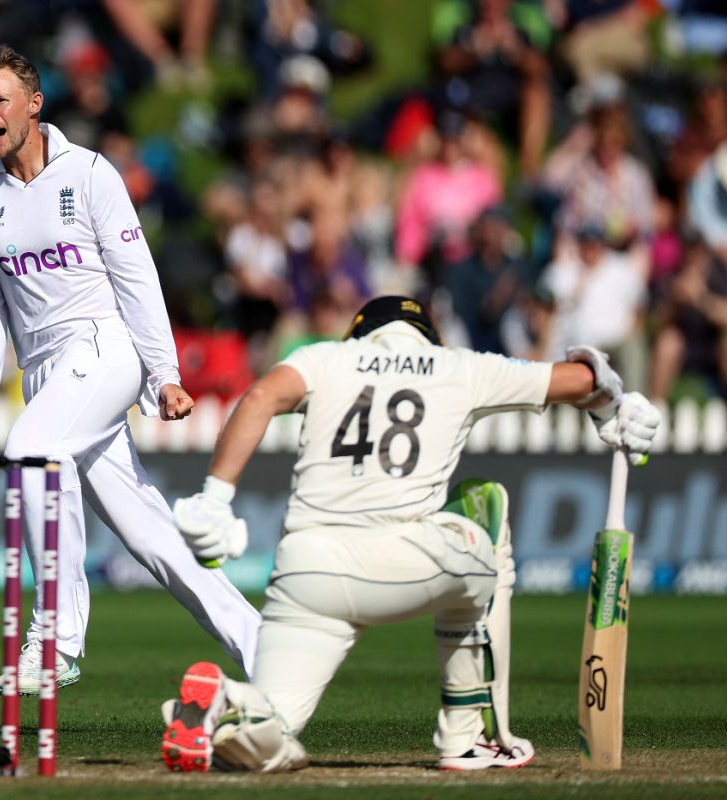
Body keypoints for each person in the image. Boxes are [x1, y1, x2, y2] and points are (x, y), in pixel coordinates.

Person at [160, 295, 661, 773]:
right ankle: (467, 738)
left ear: (359, 334)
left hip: (305, 571)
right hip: (400, 560)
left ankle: (225, 700)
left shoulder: (324, 358)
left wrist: (215, 498)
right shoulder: (460, 366)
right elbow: (579, 378)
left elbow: (261, 395)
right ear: (429, 337)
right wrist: (613, 399)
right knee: (486, 516)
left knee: (270, 733)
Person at [0, 45, 261, 695]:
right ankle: (265, 646)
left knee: (32, 449)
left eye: (1, 99)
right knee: (151, 536)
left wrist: (162, 372)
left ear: (35, 104)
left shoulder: (89, 174)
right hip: (46, 372)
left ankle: (57, 638)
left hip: (105, 347)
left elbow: (136, 278)